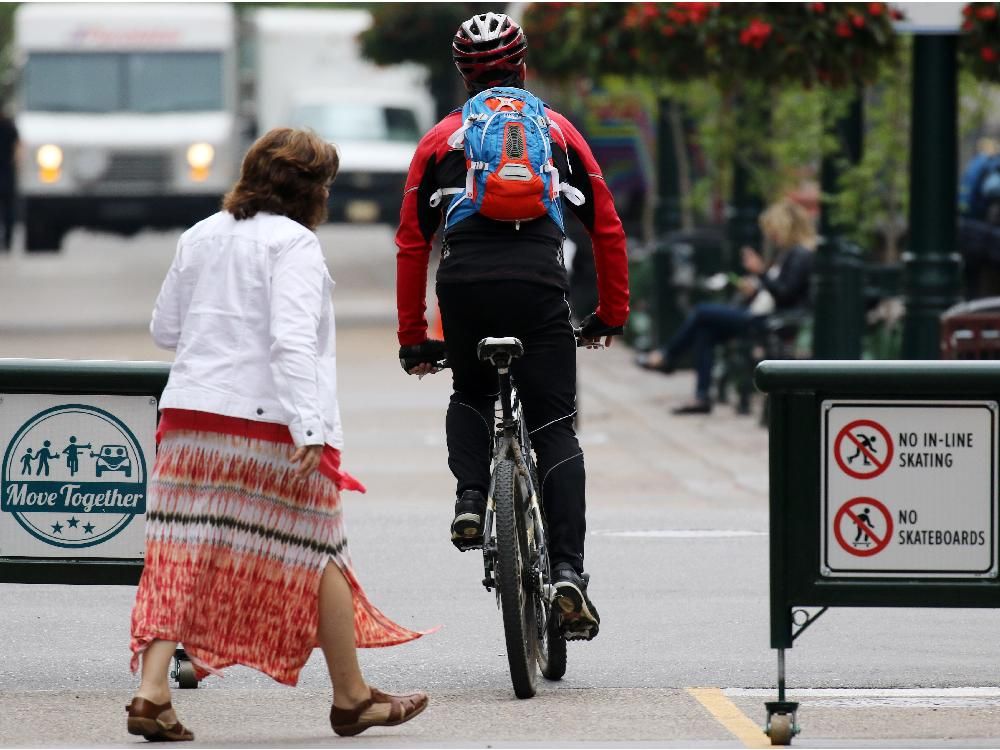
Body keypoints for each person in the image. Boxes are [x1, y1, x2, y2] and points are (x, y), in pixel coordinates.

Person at [128, 128, 429, 742]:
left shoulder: (200, 234)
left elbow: (165, 329)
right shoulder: (294, 244)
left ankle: (152, 692)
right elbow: (290, 341)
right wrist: (309, 426)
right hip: (268, 424)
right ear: (310, 190)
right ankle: (351, 698)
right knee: (320, 548)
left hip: (189, 421)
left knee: (180, 551)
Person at [394, 13, 629, 641]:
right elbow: (606, 226)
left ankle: (472, 498)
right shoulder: (557, 131)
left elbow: (412, 241)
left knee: (471, 391)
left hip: (466, 286)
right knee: (553, 426)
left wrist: (413, 337)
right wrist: (611, 314)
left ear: (462, 74)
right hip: (538, 286)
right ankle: (569, 571)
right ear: (523, 68)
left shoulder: (441, 139)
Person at [636, 199, 815, 414]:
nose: (772, 236)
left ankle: (667, 357)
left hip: (770, 321)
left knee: (702, 311)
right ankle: (701, 397)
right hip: (761, 315)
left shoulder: (801, 254)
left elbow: (785, 293)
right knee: (705, 331)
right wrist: (754, 288)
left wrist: (760, 272)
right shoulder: (788, 253)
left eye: (774, 230)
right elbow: (776, 290)